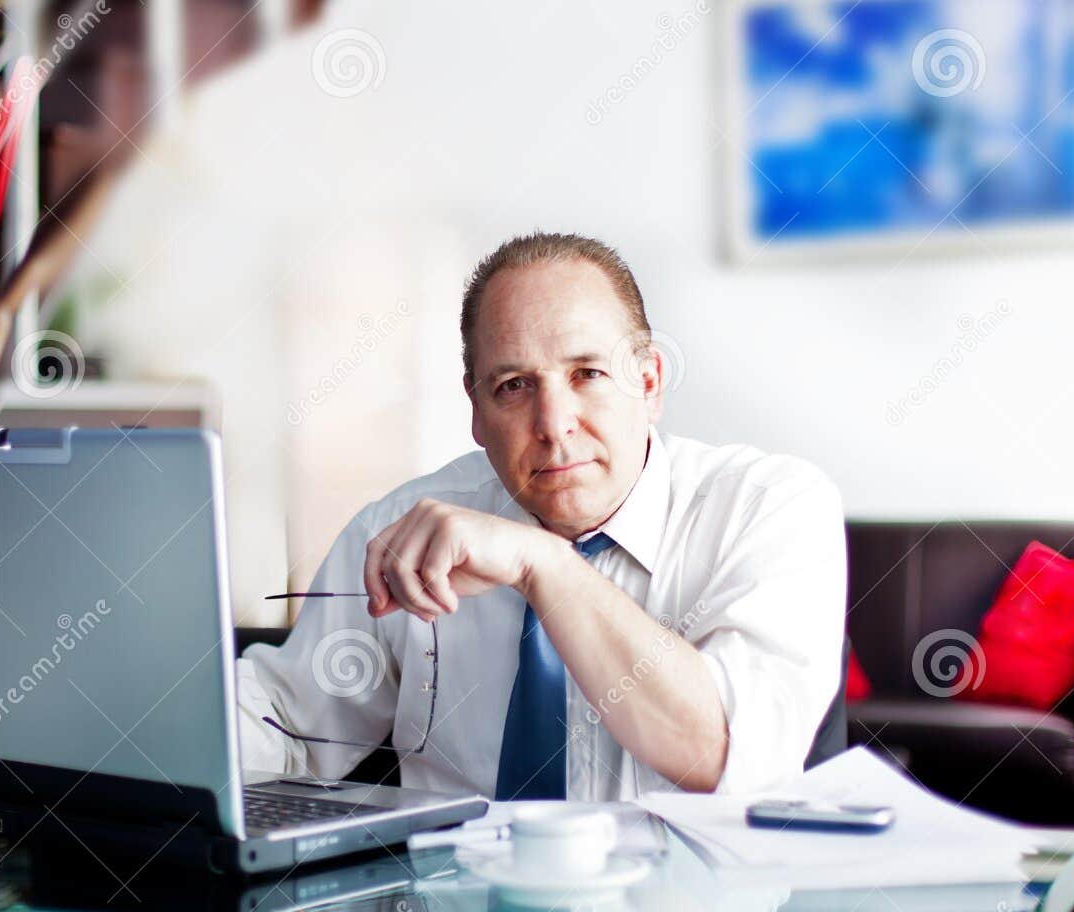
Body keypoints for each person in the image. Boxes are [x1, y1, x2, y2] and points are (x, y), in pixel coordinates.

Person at [237, 232, 845, 800]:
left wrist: (544, 565)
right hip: (448, 908)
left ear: (650, 382)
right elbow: (287, 723)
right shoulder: (402, 529)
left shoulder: (770, 507)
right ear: (476, 412)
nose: (554, 425)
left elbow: (722, 751)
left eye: (588, 373)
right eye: (513, 385)